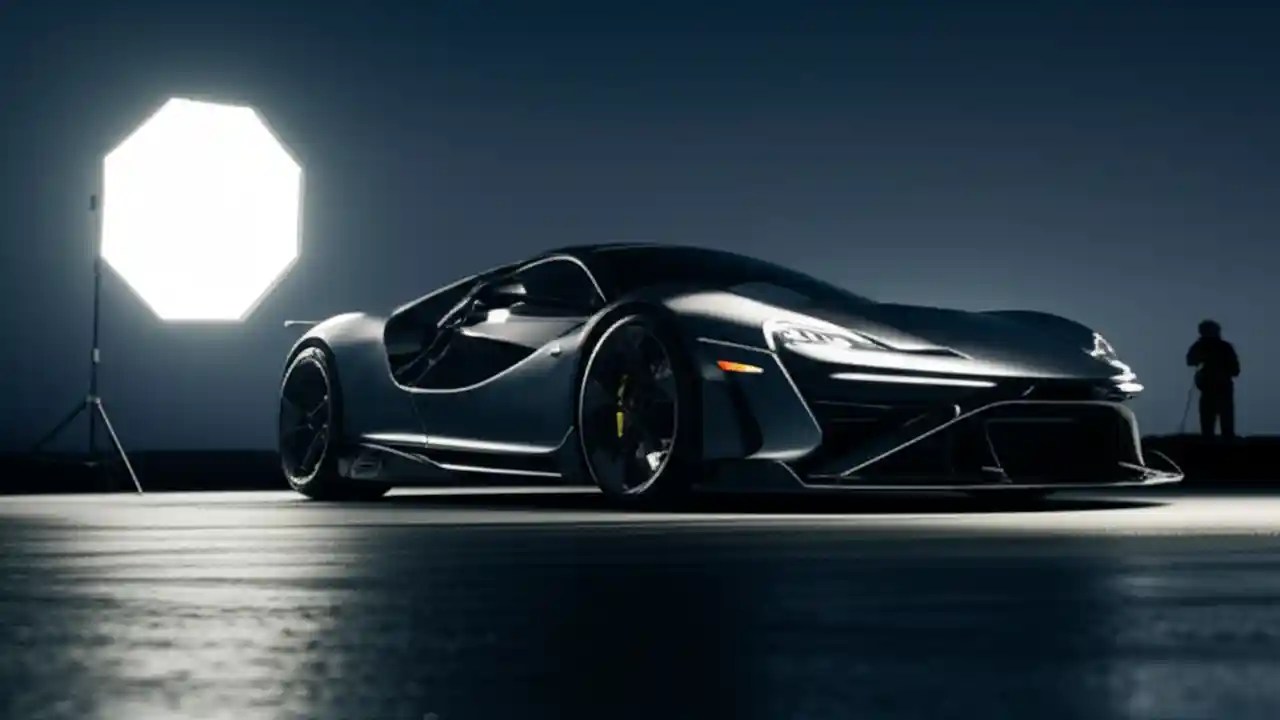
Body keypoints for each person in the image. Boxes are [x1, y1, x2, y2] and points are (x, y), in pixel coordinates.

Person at [1186, 319, 1240, 439]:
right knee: (1219, 426)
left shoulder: (1218, 347)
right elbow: (1235, 370)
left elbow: (1190, 360)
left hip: (1216, 389)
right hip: (1217, 389)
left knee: (1211, 426)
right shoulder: (1224, 347)